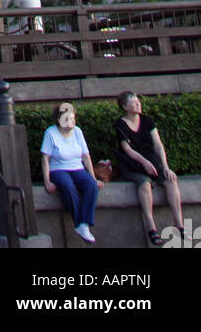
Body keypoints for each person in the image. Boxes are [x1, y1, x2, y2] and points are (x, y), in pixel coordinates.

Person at [115, 90, 184, 246]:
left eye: (138, 101)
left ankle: (179, 224)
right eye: (133, 102)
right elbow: (127, 150)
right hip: (134, 165)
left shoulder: (147, 120)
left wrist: (165, 167)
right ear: (125, 106)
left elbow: (158, 145)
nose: (138, 104)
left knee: (171, 181)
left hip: (153, 162)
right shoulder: (120, 124)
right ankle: (151, 227)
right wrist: (144, 162)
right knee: (145, 185)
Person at [40, 101, 102, 243]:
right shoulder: (50, 133)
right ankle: (79, 222)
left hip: (77, 167)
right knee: (68, 186)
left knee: (91, 186)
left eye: (73, 118)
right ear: (59, 120)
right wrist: (47, 181)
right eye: (67, 119)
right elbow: (45, 159)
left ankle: (84, 224)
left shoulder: (78, 132)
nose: (71, 122)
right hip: (58, 169)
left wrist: (93, 178)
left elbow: (86, 156)